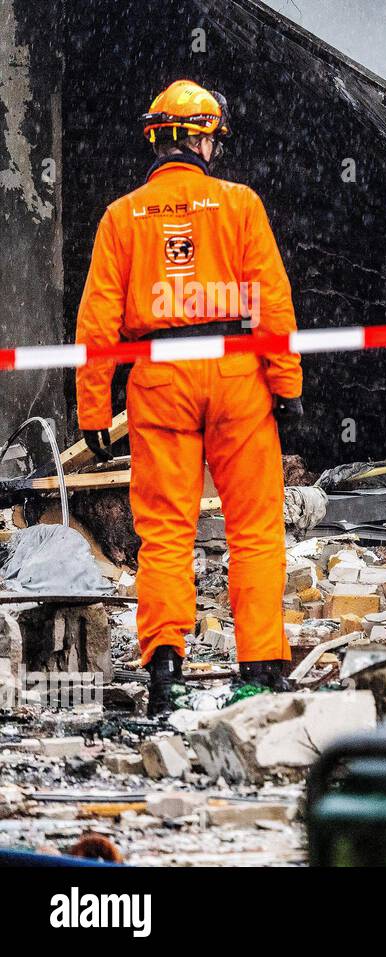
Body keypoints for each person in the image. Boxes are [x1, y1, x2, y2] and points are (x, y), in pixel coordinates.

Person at [75, 79, 303, 716]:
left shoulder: (123, 216)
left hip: (160, 376)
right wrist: (287, 385)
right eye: (209, 135)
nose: (212, 146)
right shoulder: (240, 205)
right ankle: (259, 670)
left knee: (166, 531)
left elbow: (97, 324)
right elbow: (272, 303)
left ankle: (165, 671)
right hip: (237, 375)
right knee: (254, 529)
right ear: (195, 138)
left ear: (156, 138)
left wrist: (94, 408)